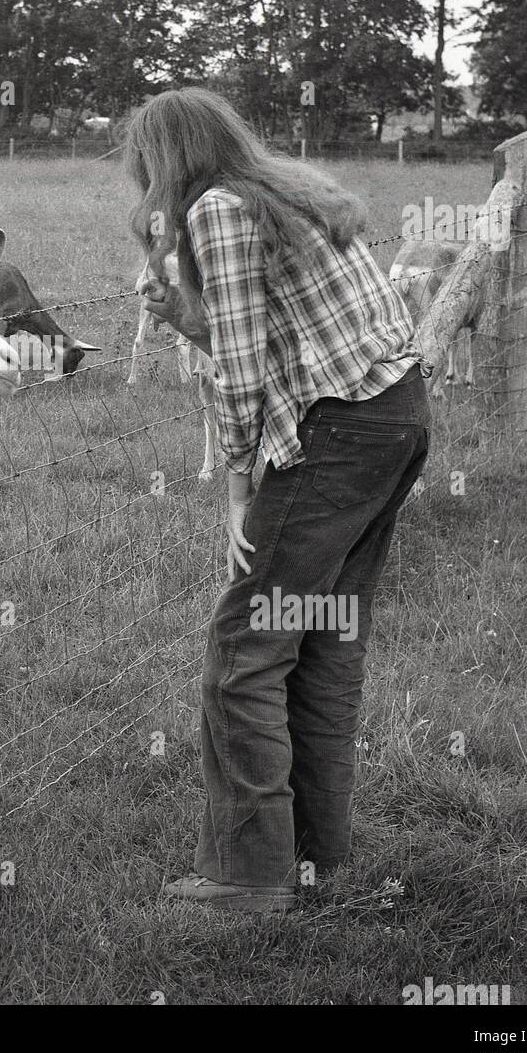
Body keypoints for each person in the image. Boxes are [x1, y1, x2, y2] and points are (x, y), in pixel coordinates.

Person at [129, 87, 431, 913]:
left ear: (165, 163)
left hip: (340, 434)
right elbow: (259, 331)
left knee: (244, 649)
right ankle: (314, 852)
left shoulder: (217, 210)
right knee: (324, 638)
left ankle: (246, 877)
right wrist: (182, 314)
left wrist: (236, 484)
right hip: (395, 416)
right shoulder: (284, 189)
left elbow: (242, 368)